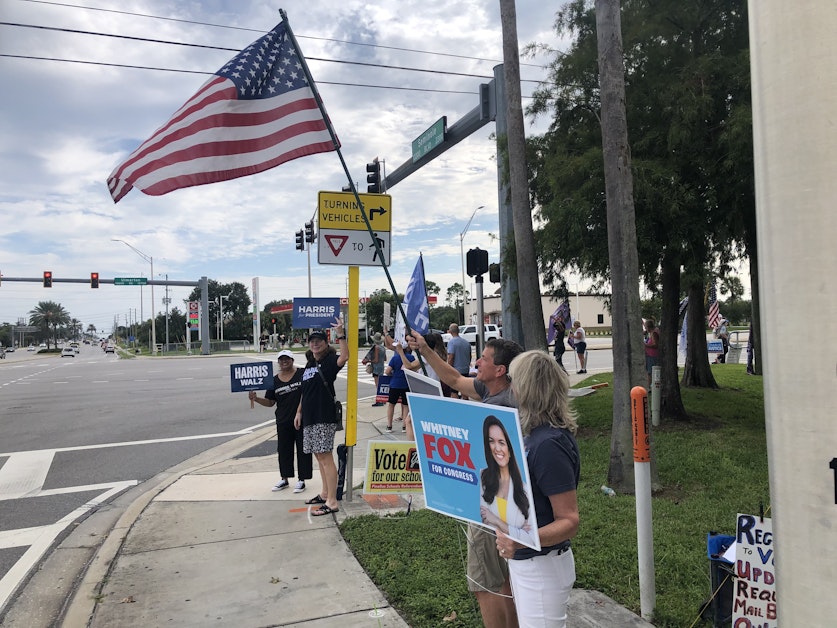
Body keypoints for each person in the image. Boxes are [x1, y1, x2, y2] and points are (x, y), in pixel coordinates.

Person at [407, 331, 522, 628]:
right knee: (504, 580)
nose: (476, 362)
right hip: (503, 502)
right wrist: (425, 349)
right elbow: (455, 380)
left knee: (485, 583)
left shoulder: (503, 404)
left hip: (491, 505)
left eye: (483, 359)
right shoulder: (493, 390)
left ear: (500, 370)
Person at [495, 350, 580, 628]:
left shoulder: (548, 445)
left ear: (526, 388)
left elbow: (569, 520)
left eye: (513, 380)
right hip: (532, 563)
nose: (510, 388)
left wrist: (519, 540)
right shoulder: (536, 434)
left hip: (541, 565)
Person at [295, 319, 348, 517]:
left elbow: (345, 356)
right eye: (312, 341)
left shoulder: (329, 361)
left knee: (325, 457)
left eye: (319, 341)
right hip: (309, 417)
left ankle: (332, 501)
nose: (315, 344)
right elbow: (305, 391)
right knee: (319, 456)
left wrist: (341, 333)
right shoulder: (310, 364)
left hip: (323, 416)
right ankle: (325, 493)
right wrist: (299, 412)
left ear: (326, 343)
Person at [249, 350, 311, 493]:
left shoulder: (302, 374)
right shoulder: (274, 380)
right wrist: (256, 399)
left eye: (287, 359)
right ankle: (284, 478)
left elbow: (308, 393)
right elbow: (270, 402)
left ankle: (302, 479)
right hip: (283, 420)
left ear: (292, 360)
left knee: (303, 450)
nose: (284, 362)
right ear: (278, 362)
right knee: (284, 450)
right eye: (281, 359)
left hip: (302, 419)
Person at [479, 415, 537, 549]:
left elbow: (532, 539)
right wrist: (518, 531)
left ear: (510, 450)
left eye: (501, 442)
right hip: (491, 546)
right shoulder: (481, 478)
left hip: (517, 554)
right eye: (491, 441)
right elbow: (481, 519)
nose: (497, 448)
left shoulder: (525, 490)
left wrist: (495, 520)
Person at [383, 339, 415, 433]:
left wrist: (392, 375)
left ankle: (389, 426)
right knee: (405, 405)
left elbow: (387, 371)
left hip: (395, 384)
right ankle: (404, 426)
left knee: (391, 404)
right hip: (406, 384)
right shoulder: (411, 358)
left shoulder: (395, 358)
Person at [446, 323, 472, 397]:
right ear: (458, 331)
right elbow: (469, 356)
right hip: (465, 370)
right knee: (465, 391)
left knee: (454, 391)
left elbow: (451, 357)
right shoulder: (466, 343)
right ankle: (466, 401)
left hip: (456, 371)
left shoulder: (451, 342)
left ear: (450, 331)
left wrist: (448, 369)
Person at [365, 332, 387, 406]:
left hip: (376, 368)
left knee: (377, 385)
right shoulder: (383, 348)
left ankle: (379, 401)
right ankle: (383, 399)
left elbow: (376, 360)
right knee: (380, 384)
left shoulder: (376, 347)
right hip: (381, 367)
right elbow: (385, 358)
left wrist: (368, 361)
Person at [644, 318, 660, 388]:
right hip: (650, 354)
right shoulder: (653, 332)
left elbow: (655, 345)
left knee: (650, 372)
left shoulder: (654, 333)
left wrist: (645, 345)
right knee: (650, 372)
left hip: (652, 355)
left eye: (646, 327)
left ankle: (650, 386)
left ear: (649, 327)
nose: (645, 329)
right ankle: (651, 386)